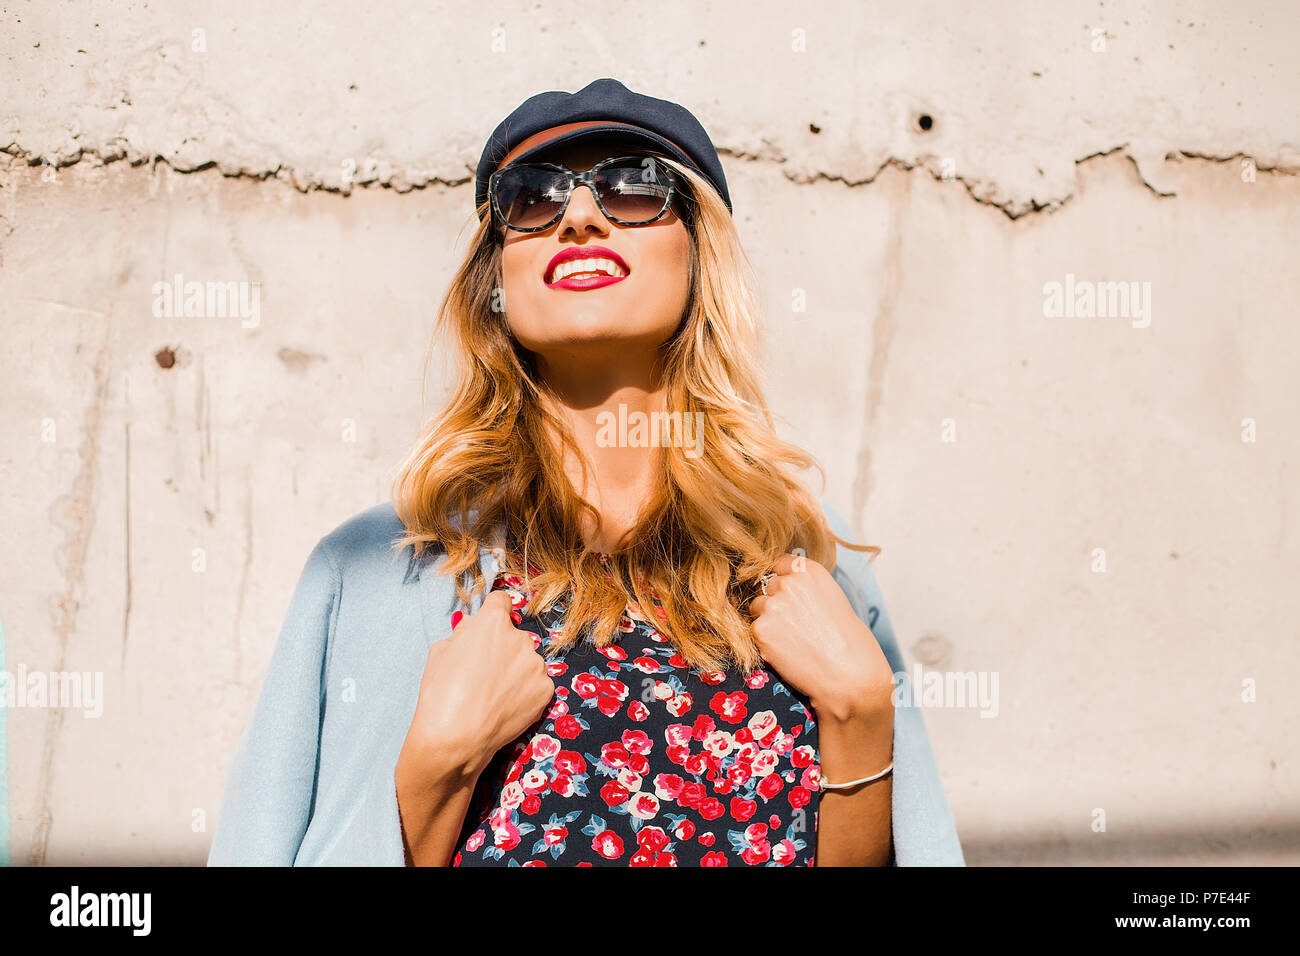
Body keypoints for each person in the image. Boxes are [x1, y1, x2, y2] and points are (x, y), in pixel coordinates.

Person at [207, 78, 965, 867]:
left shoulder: (808, 551)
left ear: (699, 257)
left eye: (634, 186)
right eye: (532, 198)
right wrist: (434, 770)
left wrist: (861, 714)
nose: (578, 216)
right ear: (495, 281)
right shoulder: (375, 573)